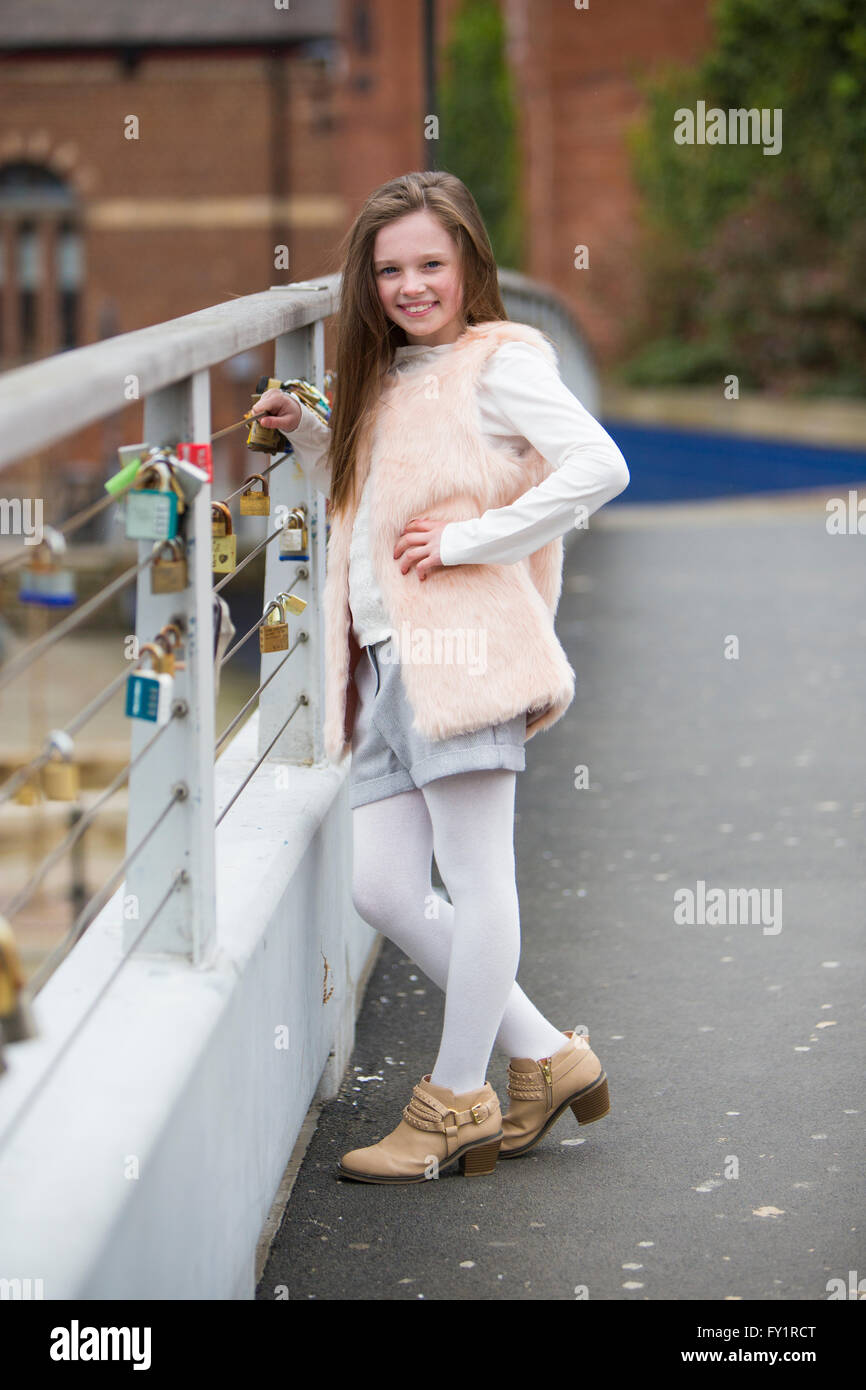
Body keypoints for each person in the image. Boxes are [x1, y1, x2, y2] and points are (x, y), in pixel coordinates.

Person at [254, 171, 629, 1185]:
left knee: (473, 876)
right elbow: (388, 489)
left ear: (468, 264)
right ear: (364, 283)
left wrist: (472, 539)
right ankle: (547, 1056)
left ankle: (456, 1097)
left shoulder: (496, 363)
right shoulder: (391, 376)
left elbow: (597, 467)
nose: (411, 285)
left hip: (462, 654)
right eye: (388, 270)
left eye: (430, 263)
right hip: (384, 665)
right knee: (381, 885)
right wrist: (311, 433)